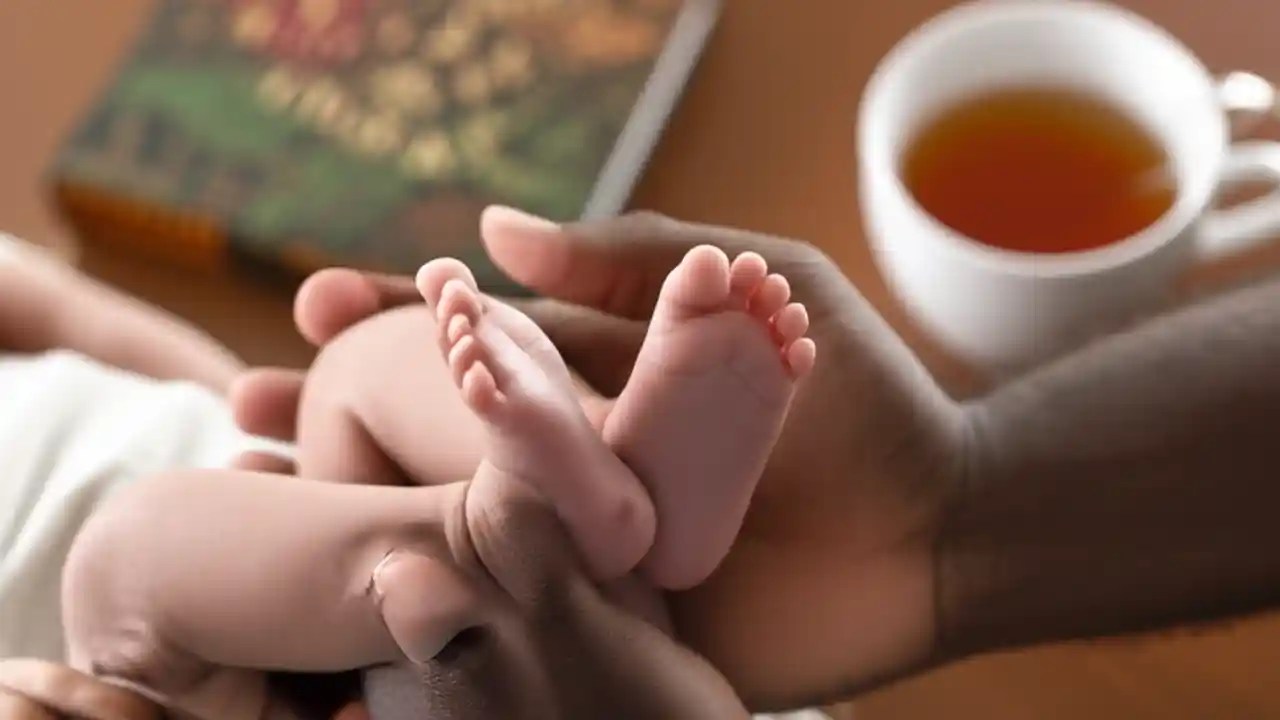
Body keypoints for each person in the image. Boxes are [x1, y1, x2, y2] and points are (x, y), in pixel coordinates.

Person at [3, 209, 1279, 717]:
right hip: (169, 663)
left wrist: (220, 403)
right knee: (128, 552)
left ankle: (591, 477)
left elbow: (55, 308)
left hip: (614, 623)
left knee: (353, 372)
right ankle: (506, 505)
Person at [59, 241, 815, 720]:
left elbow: (86, 323)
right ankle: (523, 511)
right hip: (190, 686)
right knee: (112, 572)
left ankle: (601, 462)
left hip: (549, 650)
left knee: (349, 371)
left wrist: (229, 405)